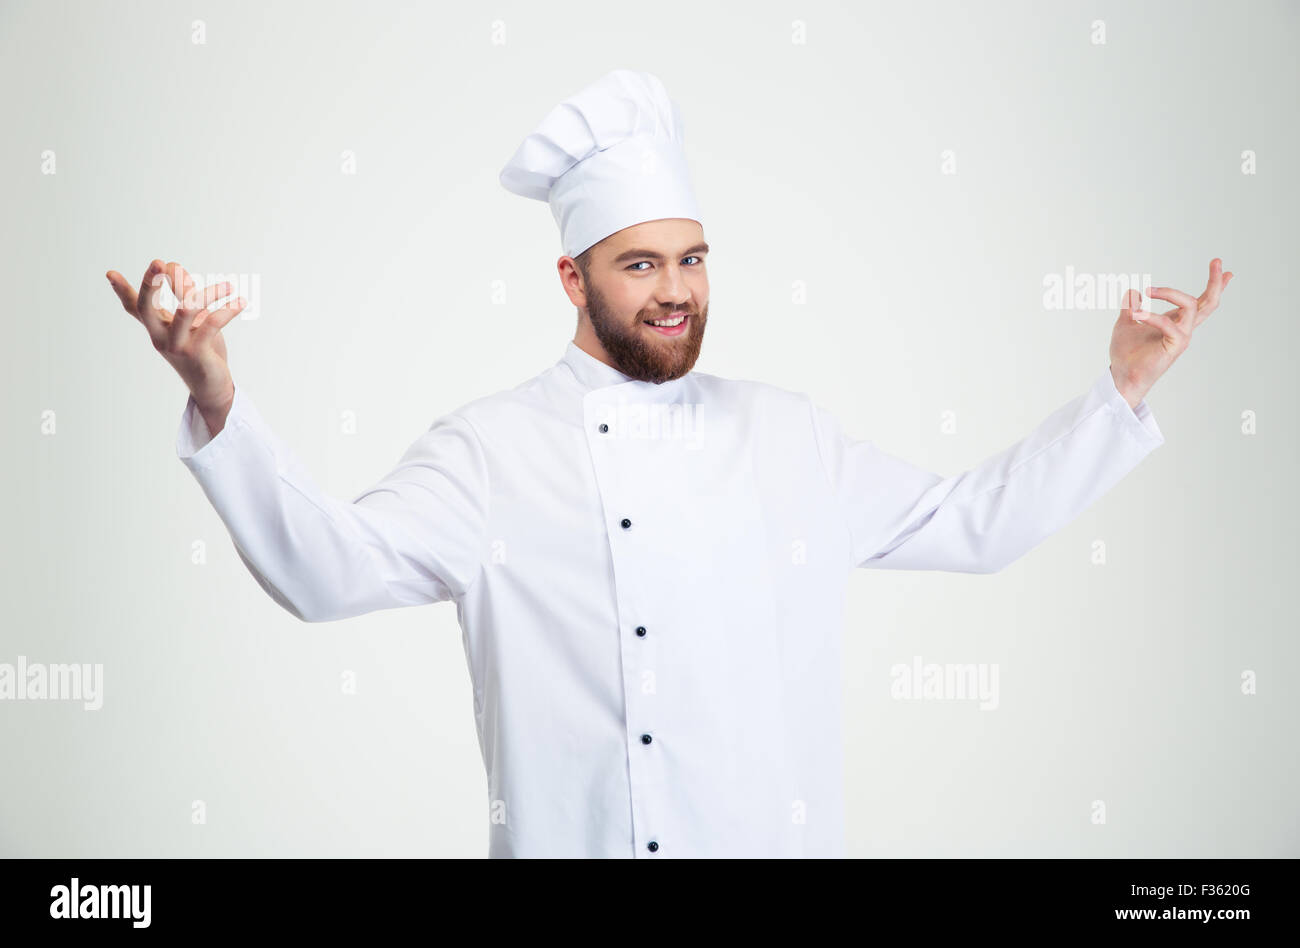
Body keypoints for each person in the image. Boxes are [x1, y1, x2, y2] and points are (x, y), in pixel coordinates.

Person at [105, 69, 1233, 858]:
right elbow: (325, 569)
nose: (676, 290)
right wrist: (216, 395)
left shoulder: (789, 436)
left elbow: (976, 522)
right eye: (639, 263)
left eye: (691, 258)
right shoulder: (490, 452)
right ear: (570, 281)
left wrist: (1121, 390)